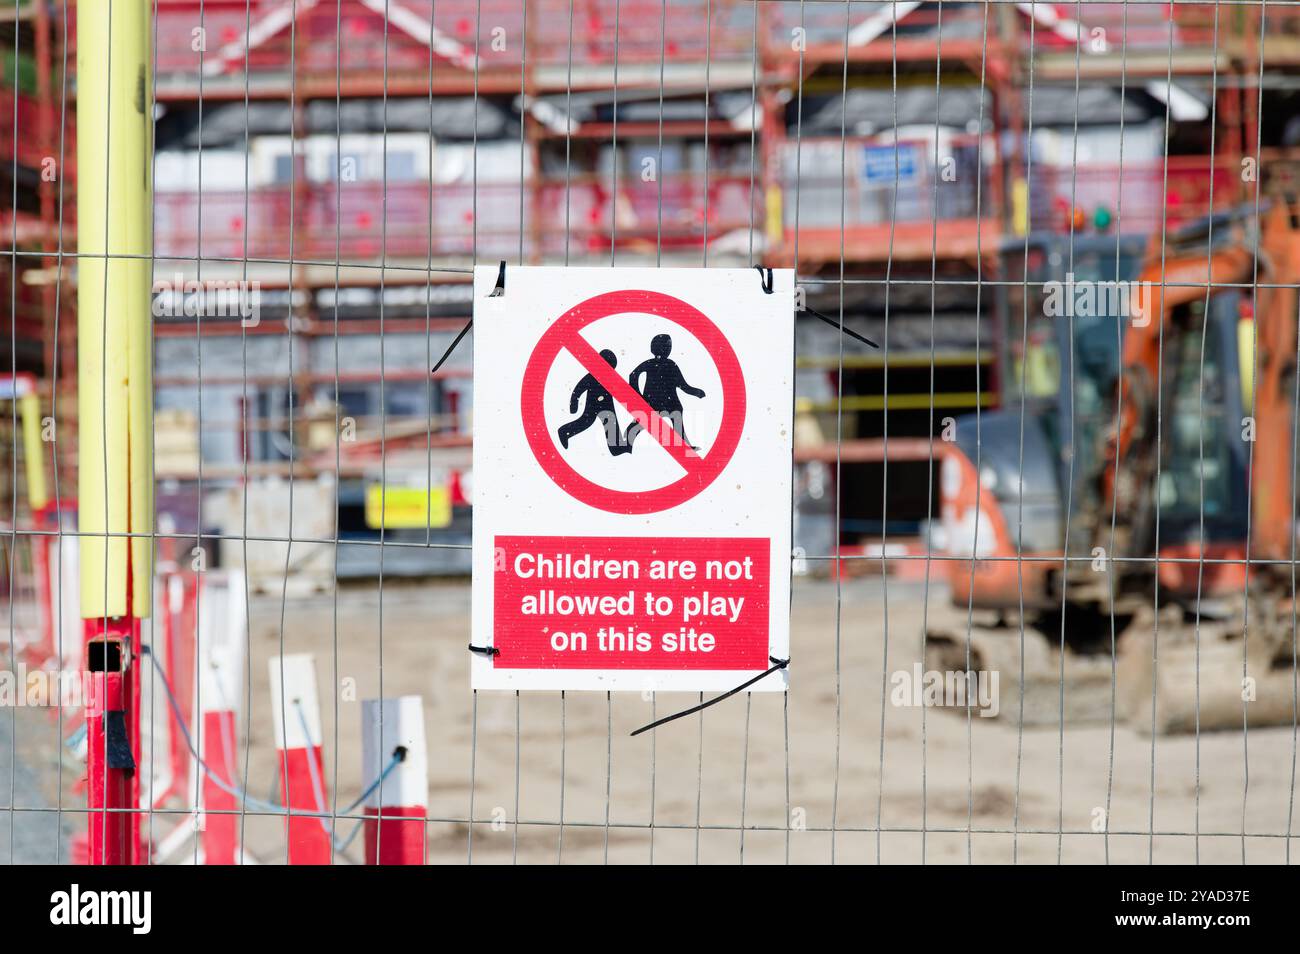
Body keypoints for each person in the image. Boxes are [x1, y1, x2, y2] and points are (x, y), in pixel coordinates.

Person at [624, 334, 705, 451]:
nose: (670, 348)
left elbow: (633, 376)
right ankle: (683, 446)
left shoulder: (658, 363)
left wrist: (639, 397)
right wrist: (696, 392)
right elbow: (683, 385)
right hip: (666, 402)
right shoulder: (670, 364)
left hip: (656, 401)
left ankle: (625, 445)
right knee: (644, 421)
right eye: (668, 345)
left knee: (641, 422)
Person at [557, 349, 626, 454]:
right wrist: (573, 406)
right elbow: (578, 390)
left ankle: (616, 448)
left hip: (606, 404)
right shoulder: (592, 376)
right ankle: (564, 431)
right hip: (593, 404)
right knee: (586, 422)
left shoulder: (610, 378)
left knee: (611, 424)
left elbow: (620, 390)